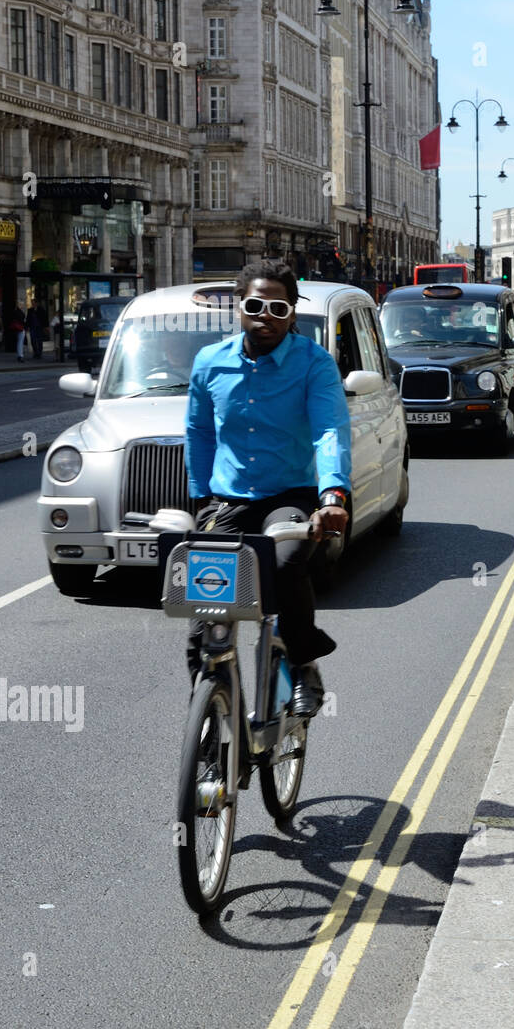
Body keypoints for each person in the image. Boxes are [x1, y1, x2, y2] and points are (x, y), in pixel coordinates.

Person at [185, 260, 351, 717]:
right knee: (205, 607)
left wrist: (332, 496)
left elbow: (329, 431)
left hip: (290, 495)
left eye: (278, 307)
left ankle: (302, 664)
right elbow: (199, 432)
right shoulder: (209, 362)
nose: (266, 316)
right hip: (228, 499)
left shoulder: (314, 363)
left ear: (292, 313)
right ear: (240, 308)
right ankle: (213, 709)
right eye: (255, 305)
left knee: (286, 562)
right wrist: (201, 499)